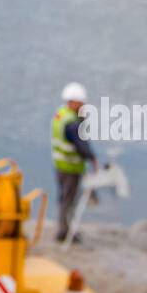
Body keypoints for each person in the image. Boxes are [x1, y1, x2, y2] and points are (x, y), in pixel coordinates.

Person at [51, 82, 96, 242]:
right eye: (81, 103)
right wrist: (92, 157)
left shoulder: (61, 114)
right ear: (74, 102)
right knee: (69, 200)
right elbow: (81, 145)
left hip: (60, 165)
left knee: (63, 198)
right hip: (70, 167)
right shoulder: (72, 123)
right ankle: (65, 232)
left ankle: (63, 228)